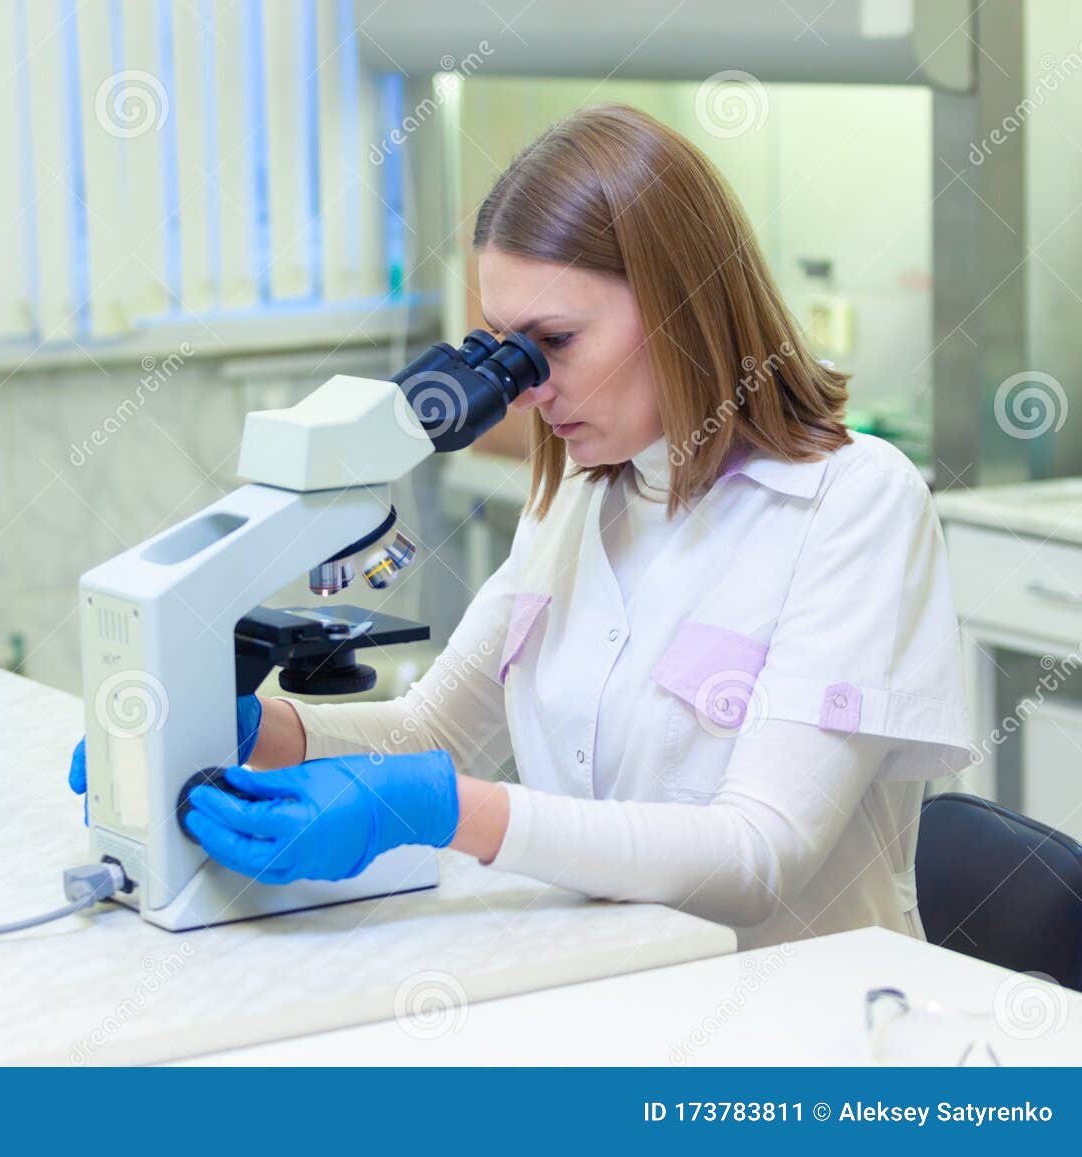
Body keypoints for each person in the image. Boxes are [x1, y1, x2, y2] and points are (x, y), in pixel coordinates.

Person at [72, 104, 971, 949]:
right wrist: (248, 730)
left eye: (556, 342)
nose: (526, 388)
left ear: (682, 306)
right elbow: (436, 732)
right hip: (602, 987)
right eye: (502, 347)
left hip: (802, 1039)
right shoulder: (577, 493)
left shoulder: (854, 503)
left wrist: (450, 812)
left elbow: (759, 854)